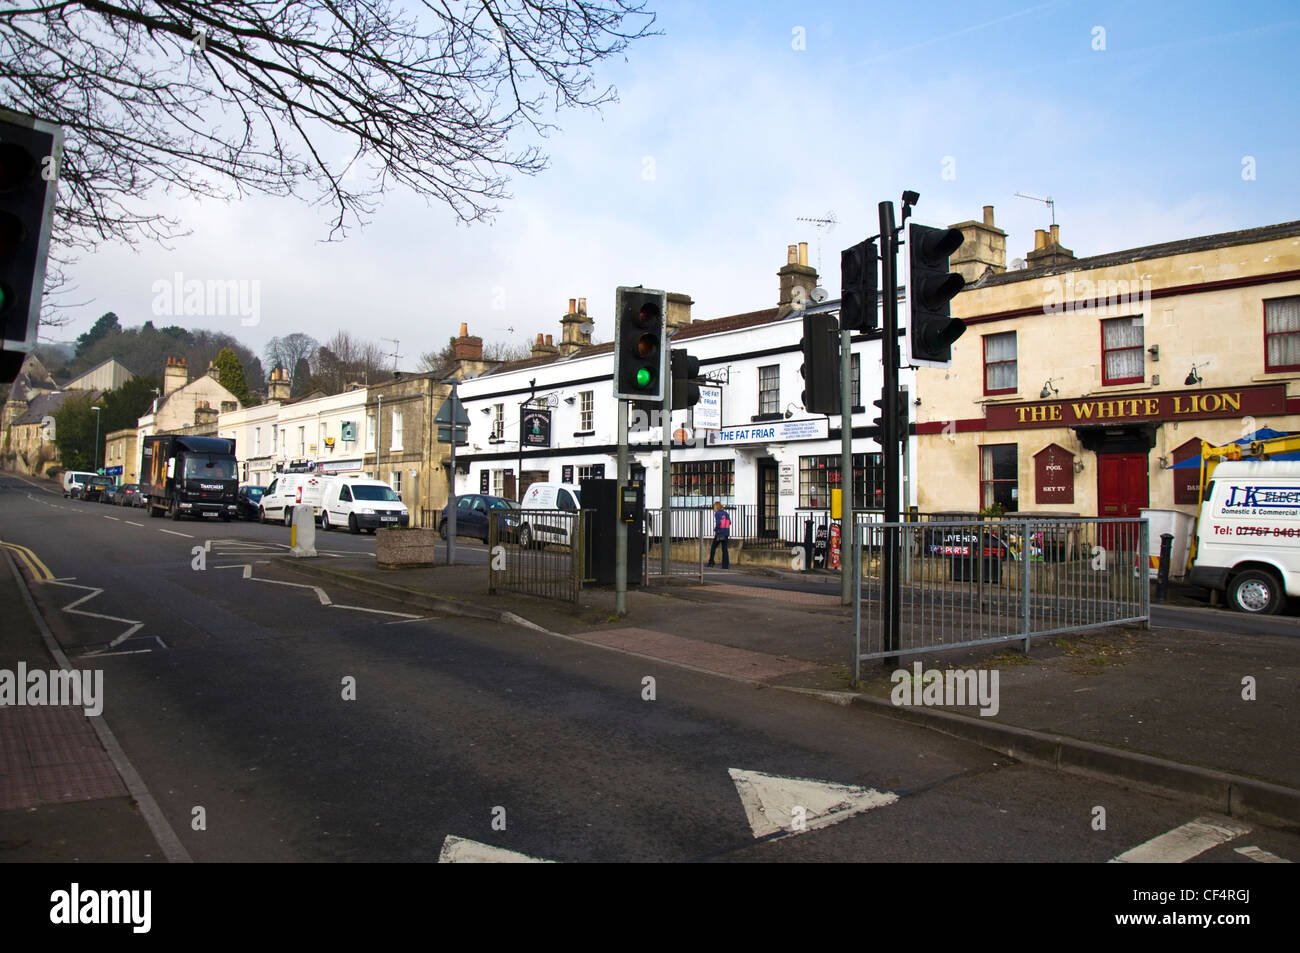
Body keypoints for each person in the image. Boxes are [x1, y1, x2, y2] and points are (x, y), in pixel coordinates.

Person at [708, 500, 731, 568]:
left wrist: (716, 529)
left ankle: (711, 562)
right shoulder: (726, 513)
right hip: (726, 533)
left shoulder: (717, 513)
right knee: (724, 549)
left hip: (719, 533)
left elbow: (718, 523)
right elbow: (729, 522)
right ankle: (725, 565)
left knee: (713, 547)